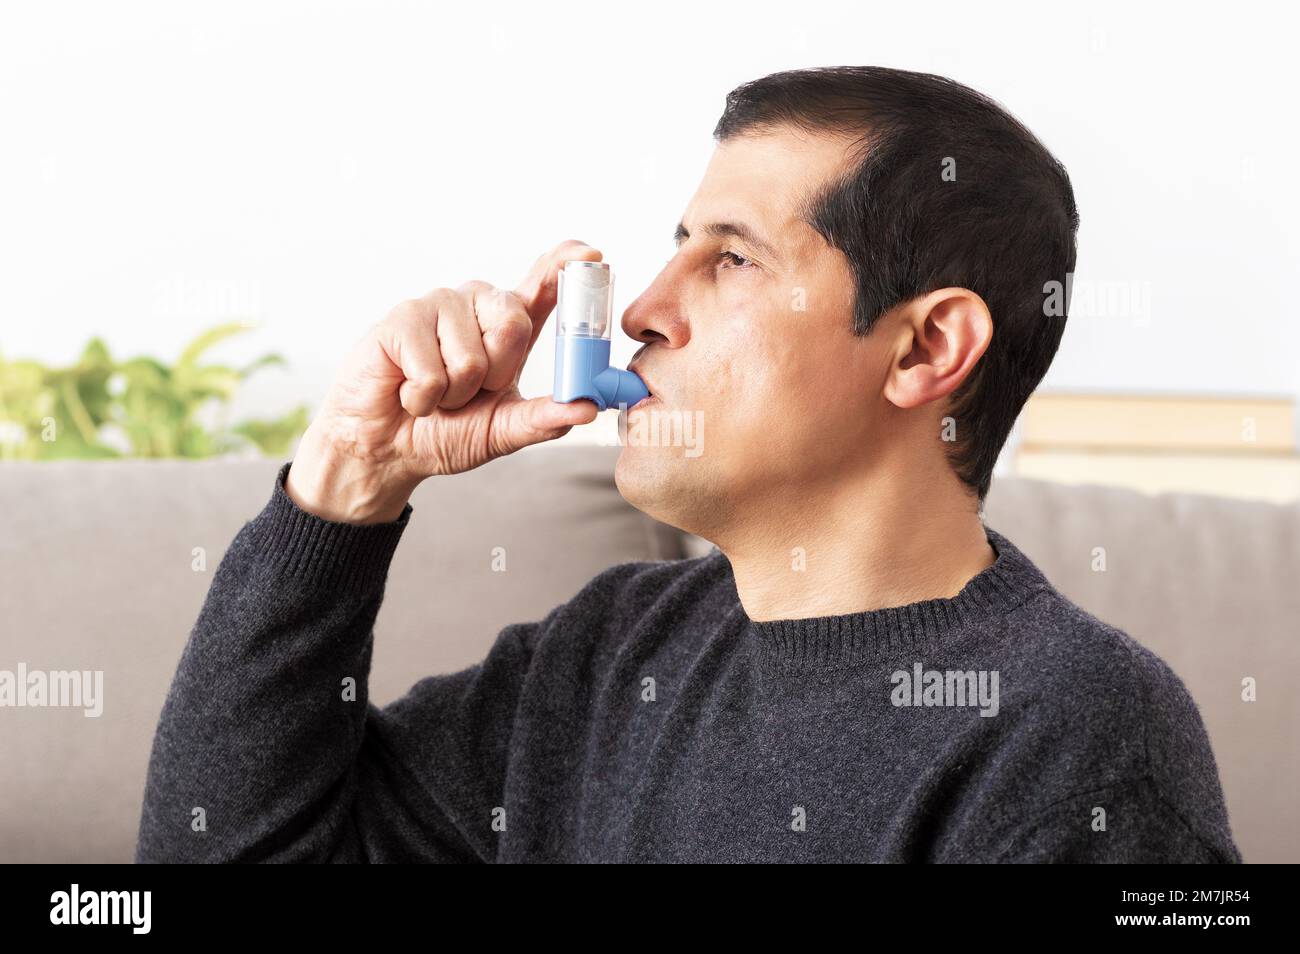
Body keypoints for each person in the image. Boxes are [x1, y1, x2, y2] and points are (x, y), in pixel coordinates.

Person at [136, 66, 1241, 863]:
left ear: (922, 349)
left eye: (730, 258)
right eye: (673, 251)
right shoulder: (609, 656)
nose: (648, 313)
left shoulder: (1075, 736)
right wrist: (346, 482)